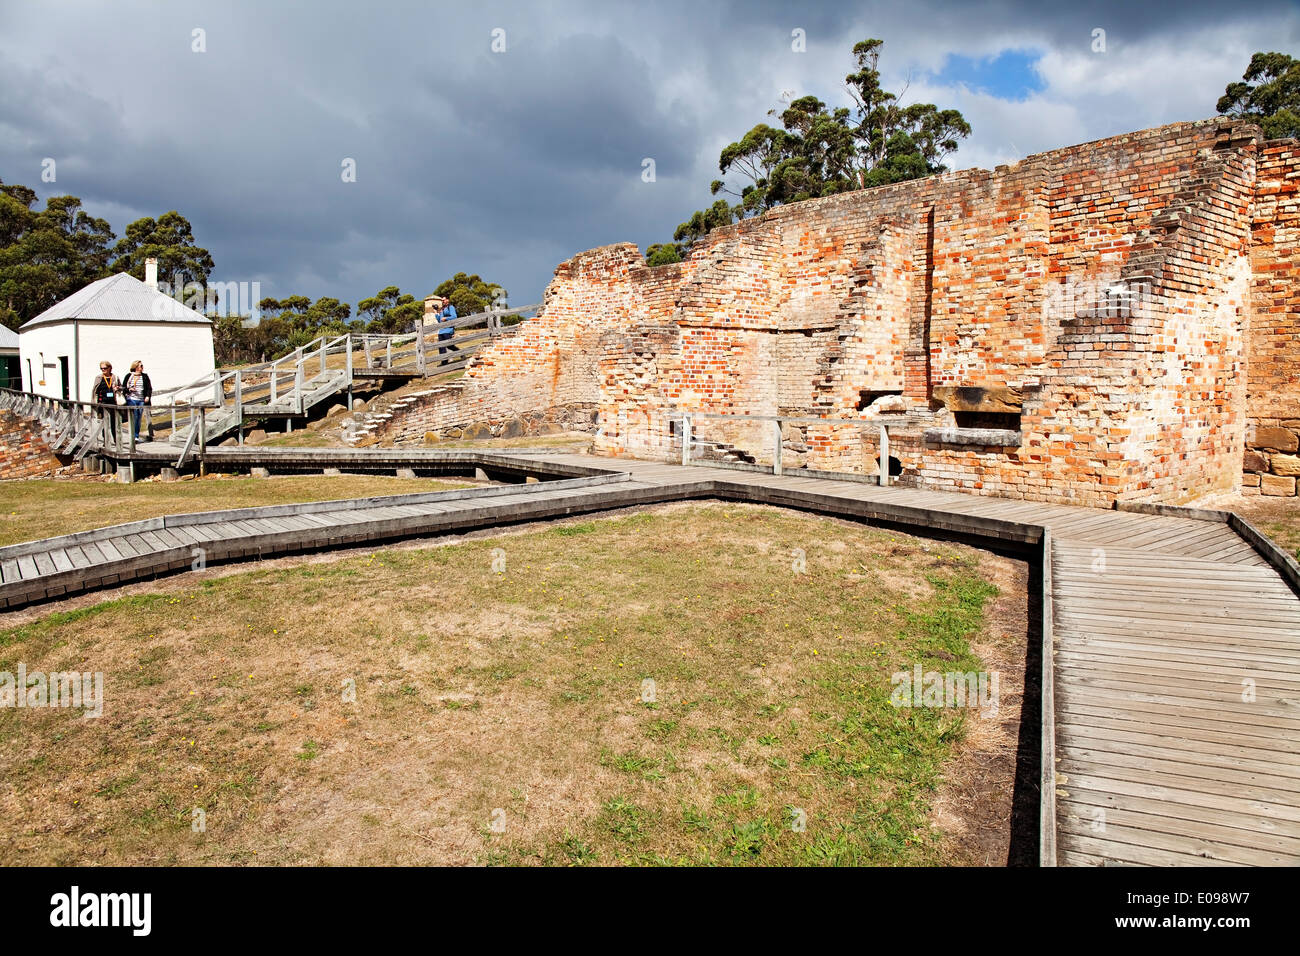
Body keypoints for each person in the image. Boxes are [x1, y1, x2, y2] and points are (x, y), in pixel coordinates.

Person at [122, 359, 153, 442]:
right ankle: (133, 435)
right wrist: (129, 389)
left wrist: (147, 396)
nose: (142, 367)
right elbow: (124, 388)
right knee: (134, 416)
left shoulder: (145, 376)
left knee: (139, 418)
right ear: (135, 367)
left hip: (141, 399)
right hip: (131, 399)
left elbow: (149, 388)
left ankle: (136, 436)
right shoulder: (129, 376)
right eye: (141, 366)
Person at [90, 360, 122, 438]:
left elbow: (121, 387)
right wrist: (95, 403)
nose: (103, 370)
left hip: (113, 402)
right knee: (105, 423)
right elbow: (95, 390)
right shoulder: (98, 377)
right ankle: (105, 441)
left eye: (105, 368)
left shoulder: (115, 377)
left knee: (114, 422)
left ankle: (116, 440)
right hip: (103, 402)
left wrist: (118, 388)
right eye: (101, 368)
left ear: (110, 368)